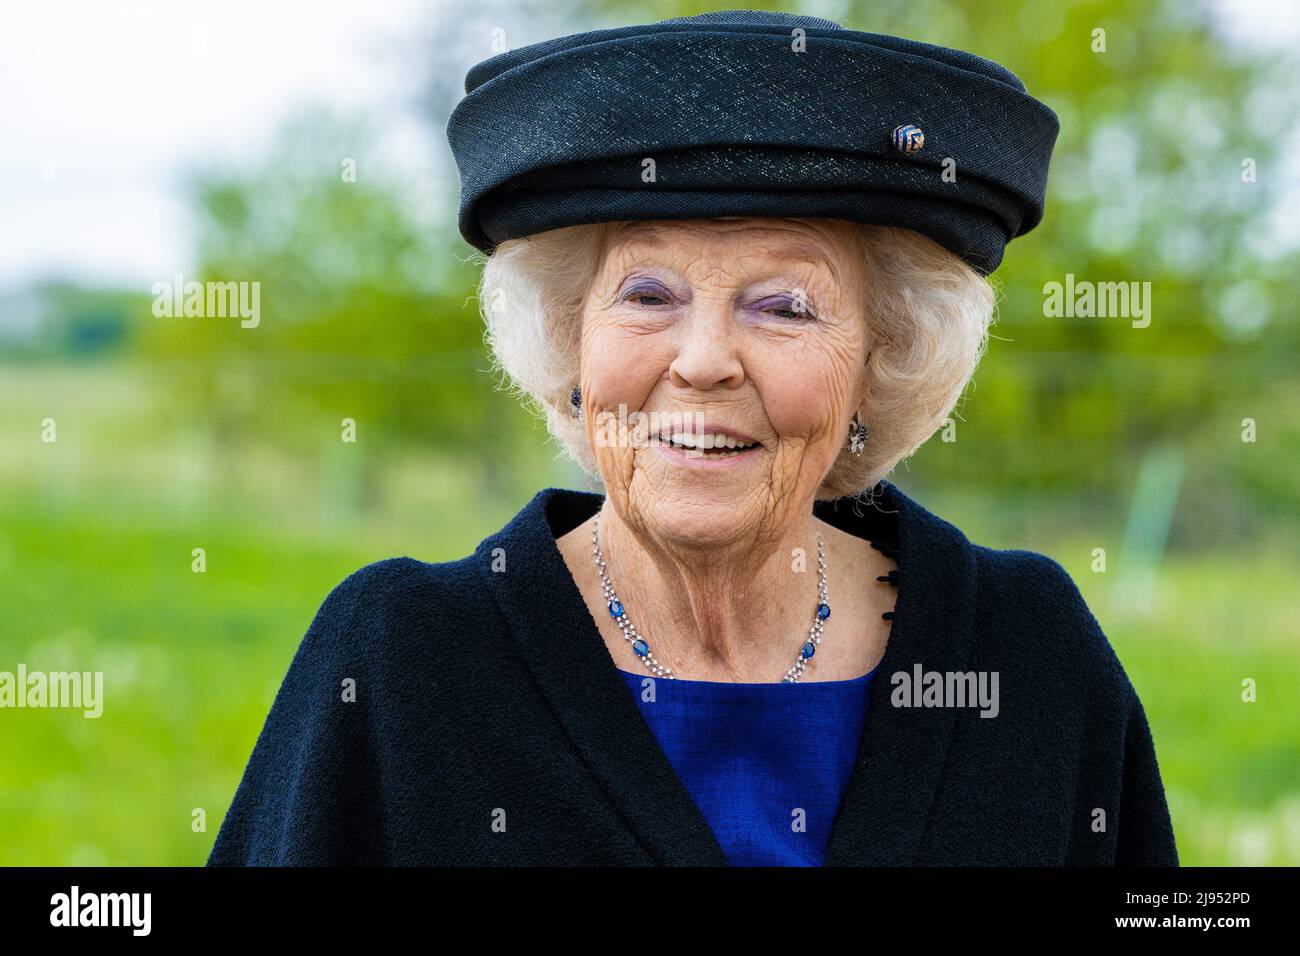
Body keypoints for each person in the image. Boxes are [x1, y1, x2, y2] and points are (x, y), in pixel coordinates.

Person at [208, 9, 1178, 866]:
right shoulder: (402, 659)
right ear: (568, 339)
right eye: (646, 293)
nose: (705, 359)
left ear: (878, 366)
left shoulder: (1027, 656)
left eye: (784, 305)